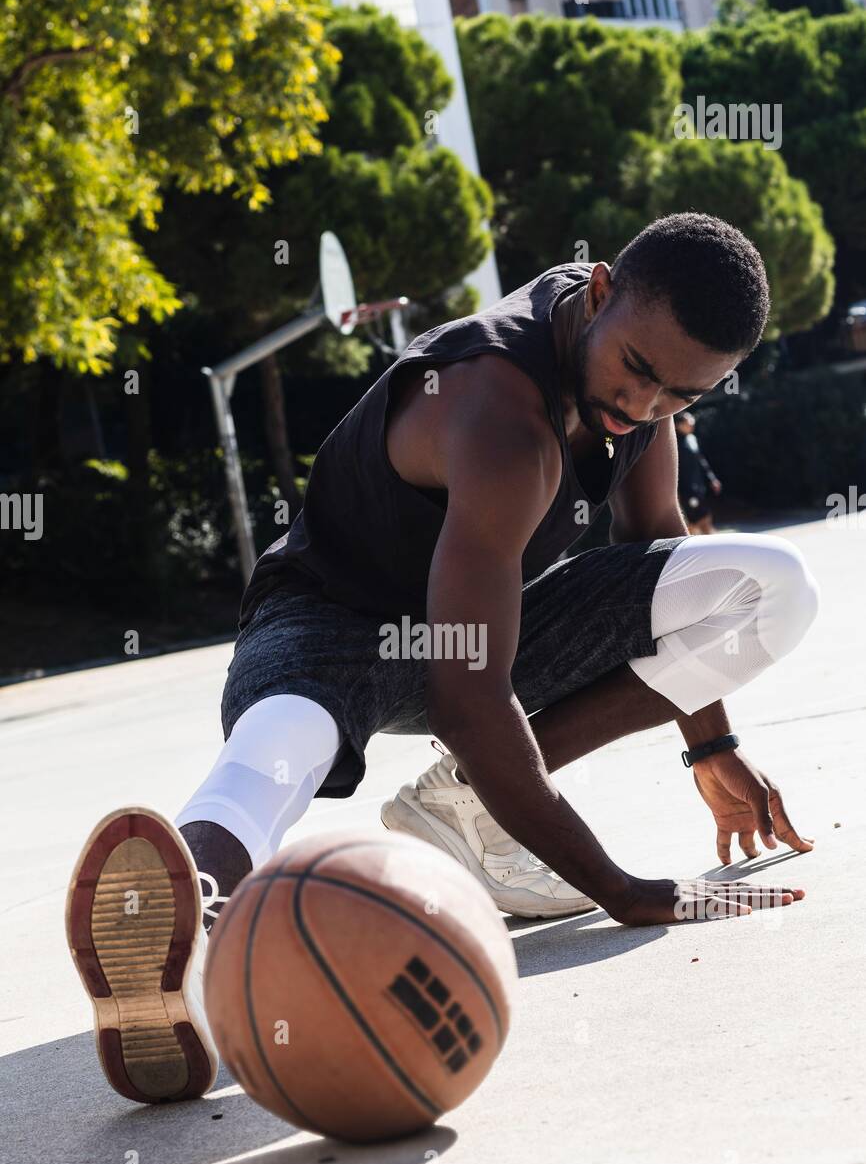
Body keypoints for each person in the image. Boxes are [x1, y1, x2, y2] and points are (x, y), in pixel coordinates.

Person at [66, 213, 820, 1103]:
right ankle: (179, 908)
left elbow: (656, 545)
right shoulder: (501, 415)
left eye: (681, 398)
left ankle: (466, 800)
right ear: (601, 292)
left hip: (492, 622)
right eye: (642, 376)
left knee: (771, 585)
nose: (645, 408)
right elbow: (469, 705)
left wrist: (711, 744)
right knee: (286, 742)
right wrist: (619, 888)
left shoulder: (633, 350)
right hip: (329, 618)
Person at [675, 409, 722, 534]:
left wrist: (712, 479)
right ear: (679, 424)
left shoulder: (692, 439)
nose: (691, 424)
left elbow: (701, 461)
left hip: (698, 486)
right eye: (688, 422)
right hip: (685, 490)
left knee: (702, 517)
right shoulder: (674, 443)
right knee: (694, 521)